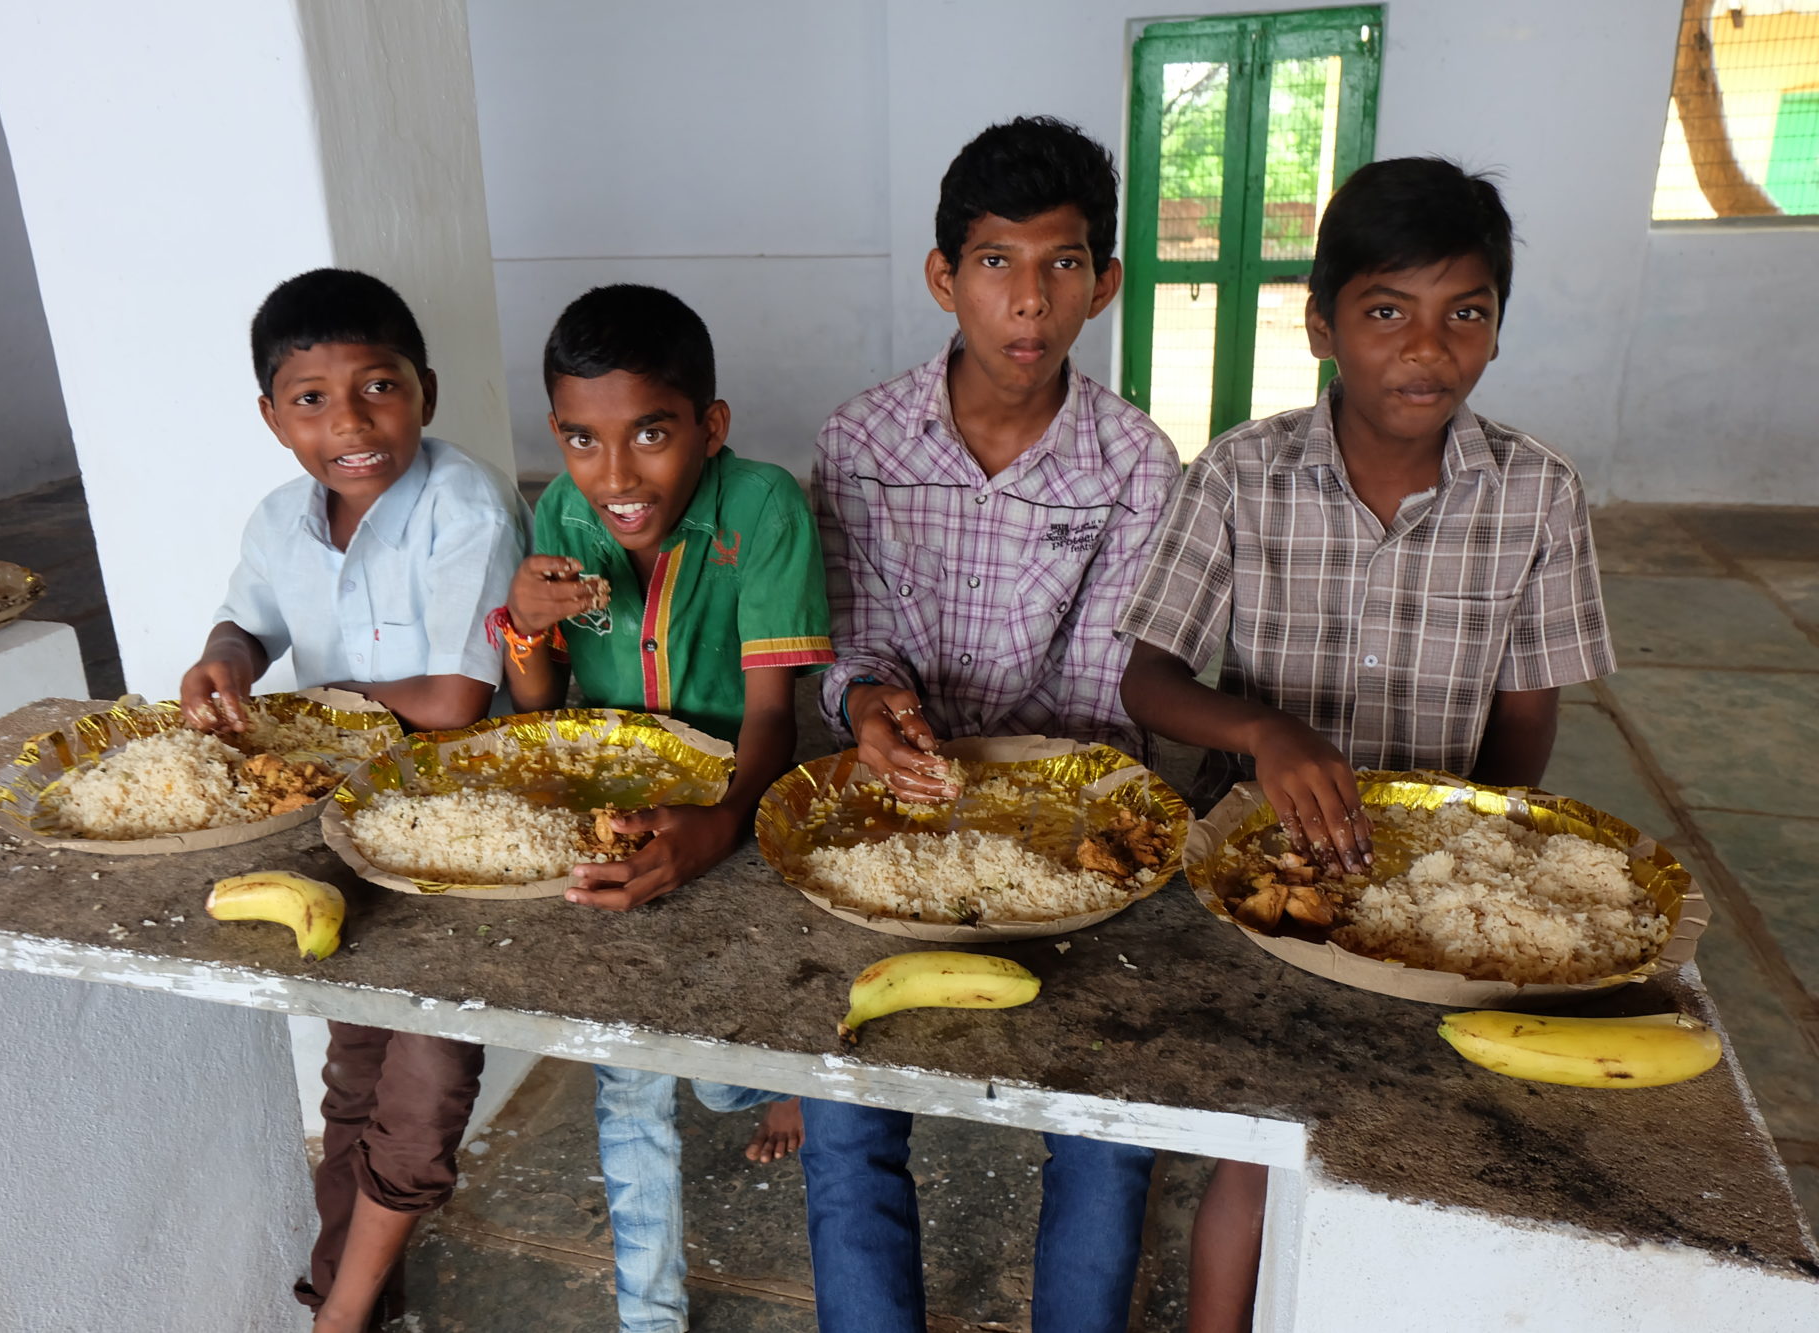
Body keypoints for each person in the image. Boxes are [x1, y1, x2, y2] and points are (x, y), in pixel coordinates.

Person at [1114, 157, 1615, 1332]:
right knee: (1259, 1131)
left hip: (1428, 877)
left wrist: (1466, 855)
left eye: (1464, 314)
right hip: (1255, 871)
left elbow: (1525, 712)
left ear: (1496, 327)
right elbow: (1146, 678)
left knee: (1401, 1134)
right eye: (1386, 312)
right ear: (1320, 326)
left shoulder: (1536, 494)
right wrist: (1261, 728)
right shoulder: (1239, 474)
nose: (1425, 350)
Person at [805, 116, 1181, 1333]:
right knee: (840, 1091)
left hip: (1065, 824)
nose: (1027, 301)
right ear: (943, 276)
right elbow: (855, 643)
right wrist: (871, 706)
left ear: (1102, 284)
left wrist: (1020, 811)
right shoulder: (861, 443)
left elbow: (1104, 700)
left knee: (1107, 1109)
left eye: (1061, 264)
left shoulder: (1133, 463)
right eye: (994, 263)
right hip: (893, 809)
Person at [179, 268, 529, 1333]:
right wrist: (224, 658)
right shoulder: (280, 521)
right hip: (347, 826)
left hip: (460, 832)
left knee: (426, 1075)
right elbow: (248, 622)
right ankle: (351, 1302)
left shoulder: (464, 505)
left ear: (425, 390)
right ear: (272, 415)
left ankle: (339, 1317)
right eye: (312, 399)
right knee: (355, 1070)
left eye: (378, 387)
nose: (351, 422)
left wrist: (312, 707)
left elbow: (455, 700)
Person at [498, 283, 833, 1333]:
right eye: (581, 439)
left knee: (724, 1050)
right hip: (616, 821)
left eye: (649, 433)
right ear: (557, 433)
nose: (615, 474)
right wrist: (524, 627)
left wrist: (721, 823)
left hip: (736, 804)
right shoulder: (562, 516)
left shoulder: (763, 509)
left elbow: (773, 716)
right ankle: (650, 1315)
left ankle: (765, 1083)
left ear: (708, 425)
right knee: (631, 1073)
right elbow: (539, 710)